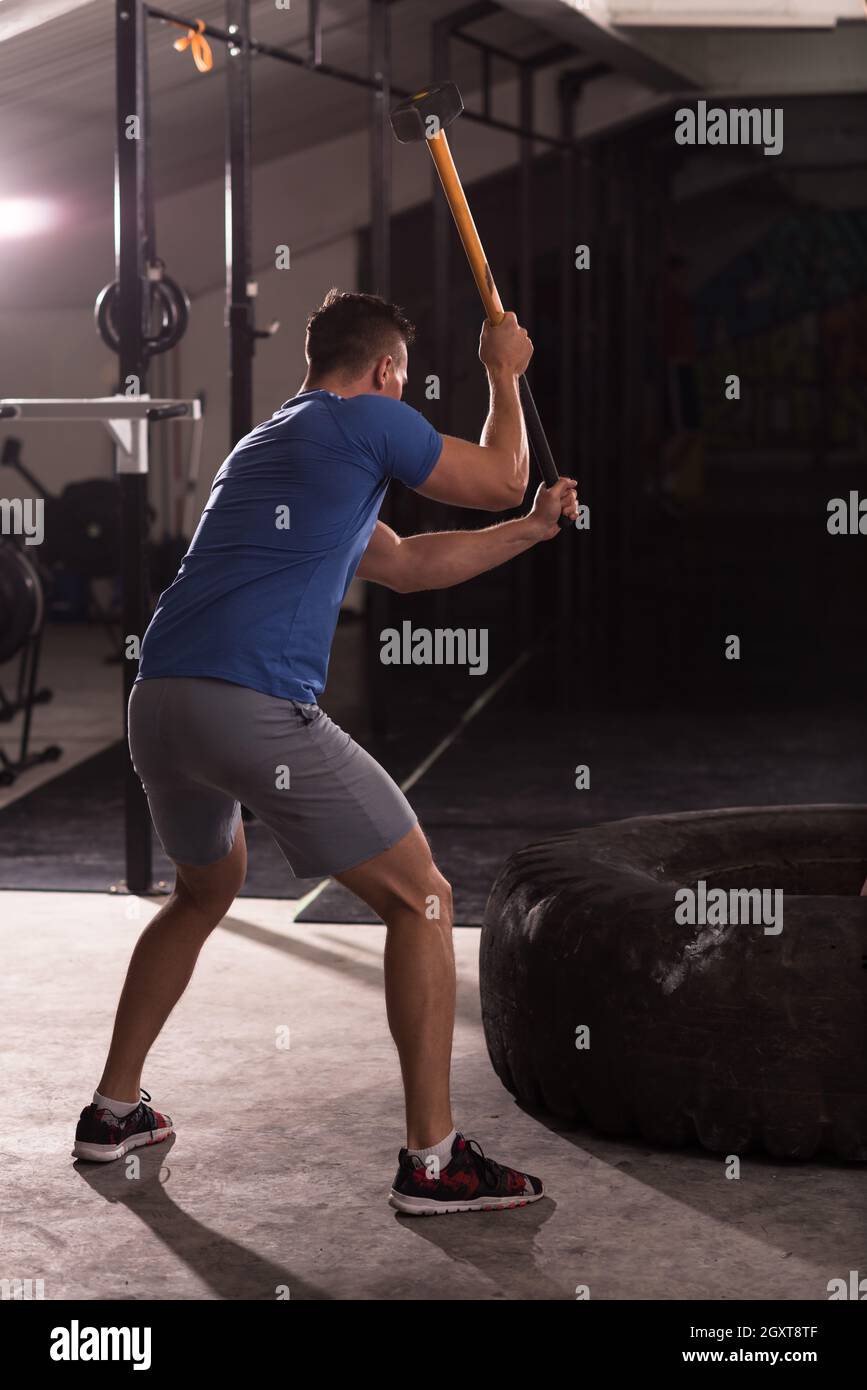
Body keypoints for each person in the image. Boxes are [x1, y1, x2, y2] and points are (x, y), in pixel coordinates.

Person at [72, 289, 577, 1215]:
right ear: (386, 372)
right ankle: (433, 1163)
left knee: (203, 889)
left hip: (161, 703)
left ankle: (113, 1113)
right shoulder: (369, 420)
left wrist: (529, 531)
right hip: (250, 705)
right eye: (402, 379)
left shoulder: (274, 446)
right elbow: (501, 473)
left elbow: (411, 563)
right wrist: (502, 373)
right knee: (422, 895)